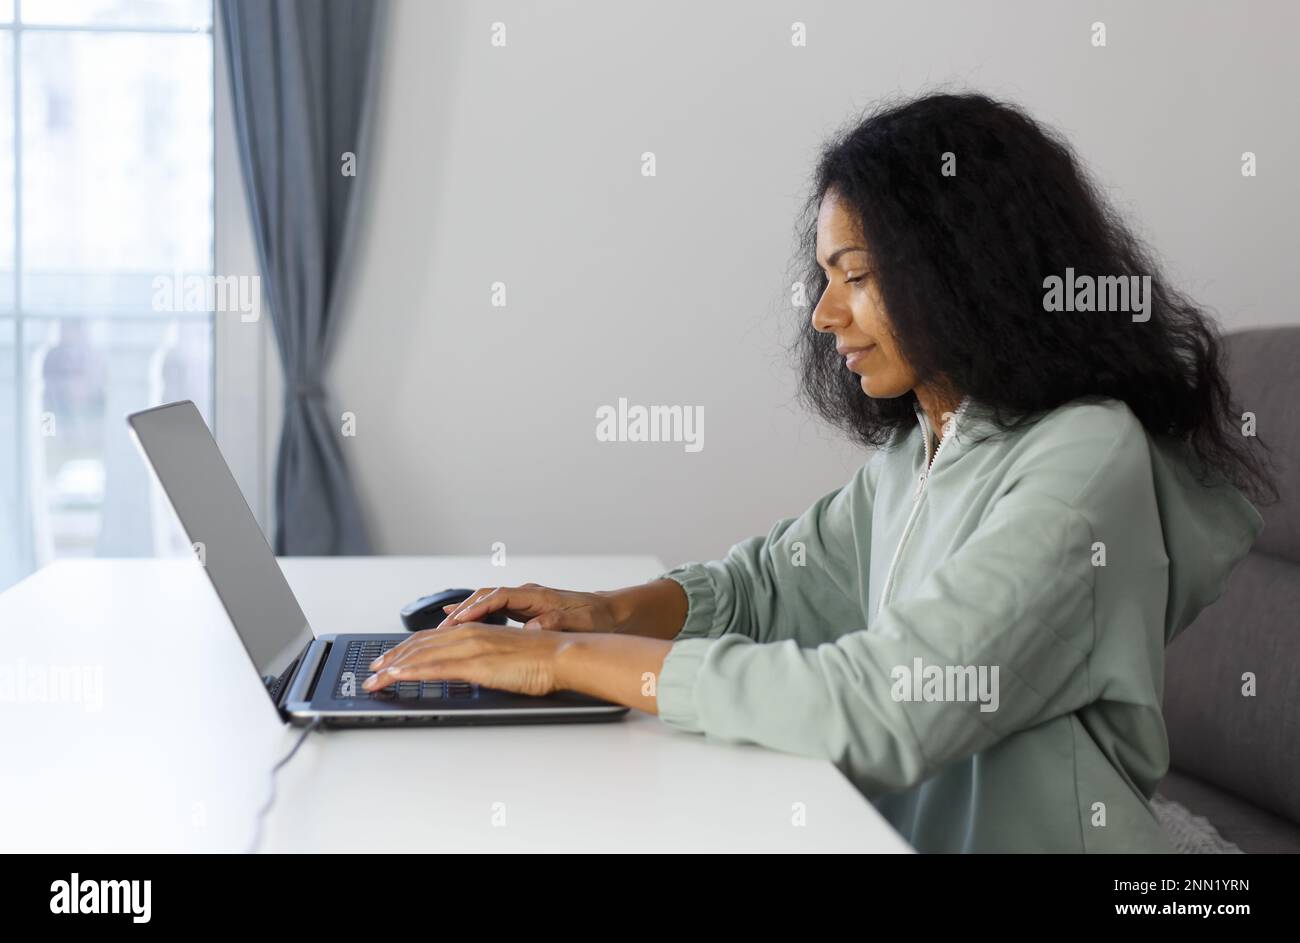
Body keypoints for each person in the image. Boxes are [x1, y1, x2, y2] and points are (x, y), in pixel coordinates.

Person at [365, 93, 1270, 852]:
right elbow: (765, 587)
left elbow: (889, 705)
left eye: (858, 275)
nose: (825, 314)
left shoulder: (1083, 458)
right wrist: (598, 612)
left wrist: (565, 659)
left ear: (966, 271)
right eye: (824, 277)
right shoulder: (926, 447)